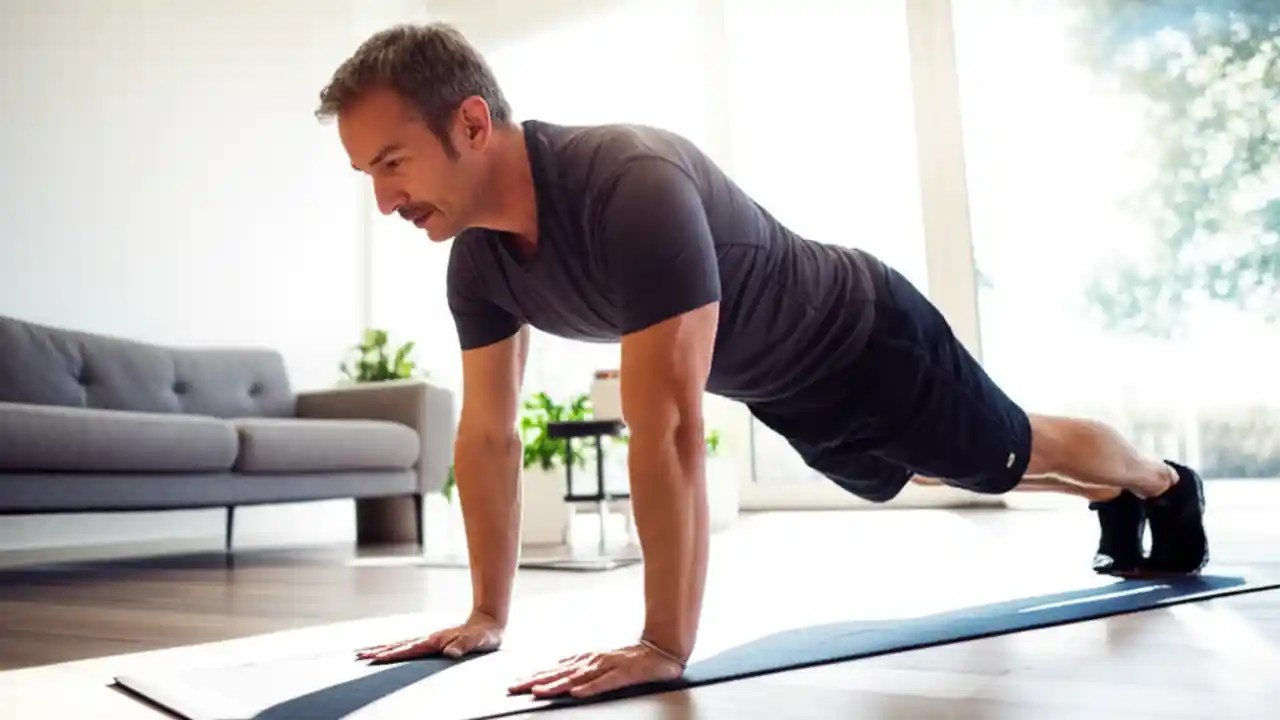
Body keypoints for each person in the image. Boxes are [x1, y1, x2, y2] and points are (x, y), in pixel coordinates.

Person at [317, 23, 1209, 700]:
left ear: (471, 123)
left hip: (869, 338)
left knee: (1012, 450)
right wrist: (485, 617)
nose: (386, 197)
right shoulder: (477, 261)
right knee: (942, 472)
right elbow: (486, 437)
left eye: (393, 161)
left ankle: (1161, 482)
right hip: (789, 387)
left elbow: (665, 427)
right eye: (368, 174)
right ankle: (1114, 494)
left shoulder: (628, 183)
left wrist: (663, 646)